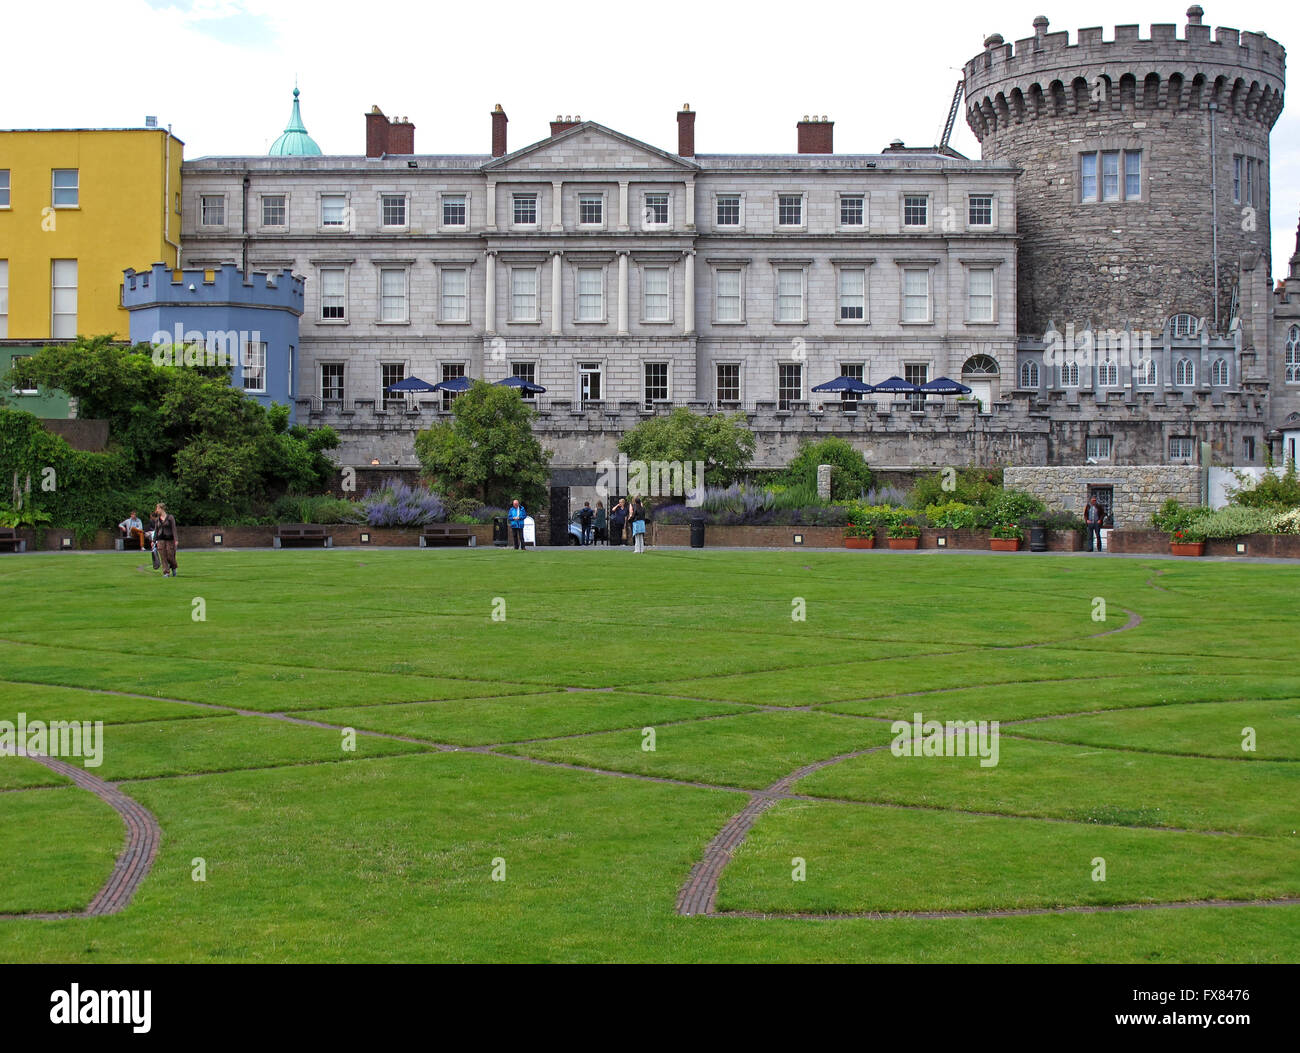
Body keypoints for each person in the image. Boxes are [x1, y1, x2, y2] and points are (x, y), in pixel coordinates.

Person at [153, 503, 178, 576]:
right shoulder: (157, 519)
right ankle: (166, 572)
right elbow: (156, 530)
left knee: (170, 555)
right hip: (160, 539)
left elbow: (174, 529)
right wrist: (154, 541)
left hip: (170, 539)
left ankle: (173, 567)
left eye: (157, 508)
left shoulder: (170, 517)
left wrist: (176, 539)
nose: (156, 510)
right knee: (163, 556)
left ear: (162, 509)